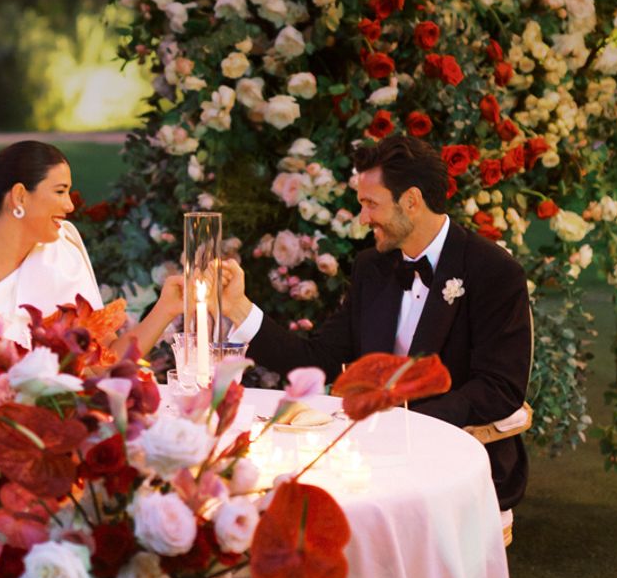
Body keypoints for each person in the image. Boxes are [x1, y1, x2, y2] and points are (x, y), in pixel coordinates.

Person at [220, 134, 531, 511]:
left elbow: (499, 388)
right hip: (371, 455)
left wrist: (403, 423)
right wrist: (238, 307)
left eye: (371, 204)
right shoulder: (373, 267)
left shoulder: (493, 271)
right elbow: (318, 358)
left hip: (459, 461)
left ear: (411, 201)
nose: (364, 218)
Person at [0, 139, 181, 355]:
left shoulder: (64, 254)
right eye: (60, 191)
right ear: (20, 196)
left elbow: (108, 360)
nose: (70, 205)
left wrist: (166, 308)